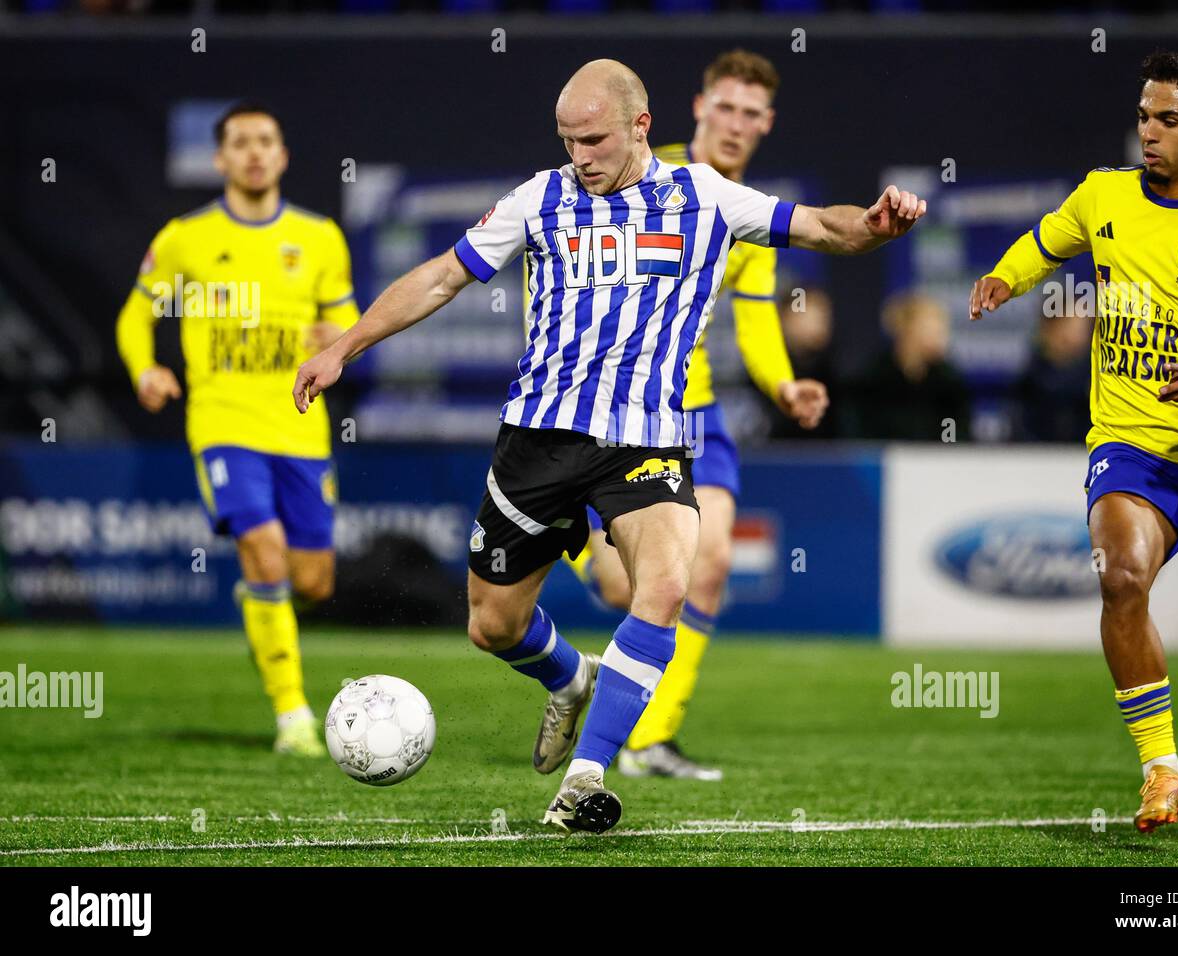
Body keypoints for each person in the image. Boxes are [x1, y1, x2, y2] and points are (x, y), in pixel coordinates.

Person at [294, 59, 925, 833]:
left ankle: (584, 780)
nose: (579, 155)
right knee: (491, 625)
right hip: (539, 440)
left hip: (648, 441)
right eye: (567, 140)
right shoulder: (540, 196)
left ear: (640, 125)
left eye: (592, 139)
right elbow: (438, 278)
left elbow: (823, 226)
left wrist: (876, 223)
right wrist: (346, 347)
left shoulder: (705, 197)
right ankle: (569, 677)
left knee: (665, 584)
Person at [970, 50, 1178, 832]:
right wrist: (1004, 278)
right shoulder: (1105, 194)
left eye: (1169, 120)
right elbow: (1046, 242)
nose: (1148, 132)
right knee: (1120, 577)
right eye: (1145, 116)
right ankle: (1162, 773)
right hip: (1131, 445)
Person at [552, 49, 830, 782]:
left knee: (707, 566)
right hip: (609, 410)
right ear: (700, 106)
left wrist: (783, 386)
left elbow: (759, 317)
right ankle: (573, 573)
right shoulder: (639, 171)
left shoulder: (753, 210)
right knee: (626, 588)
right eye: (726, 107)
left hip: (693, 414)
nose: (736, 124)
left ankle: (651, 740)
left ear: (766, 123)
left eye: (752, 113)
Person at [117, 102, 360, 756]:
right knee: (262, 545)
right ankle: (294, 720)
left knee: (312, 583)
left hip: (300, 426)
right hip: (222, 422)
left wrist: (337, 339)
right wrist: (145, 372)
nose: (254, 153)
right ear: (220, 159)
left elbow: (350, 323)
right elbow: (136, 316)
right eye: (241, 143)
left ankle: (263, 605)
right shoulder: (183, 239)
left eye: (266, 141)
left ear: (282, 156)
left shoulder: (318, 238)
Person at [845, 290, 970, 440]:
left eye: (942, 330)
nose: (941, 337)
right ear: (907, 331)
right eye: (932, 330)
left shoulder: (948, 380)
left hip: (935, 461)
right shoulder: (875, 376)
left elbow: (956, 433)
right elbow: (861, 430)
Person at [1014, 301, 1093, 442]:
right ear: (1050, 327)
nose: (1080, 334)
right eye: (1071, 325)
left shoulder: (1097, 382)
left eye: (1083, 327)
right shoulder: (1029, 383)